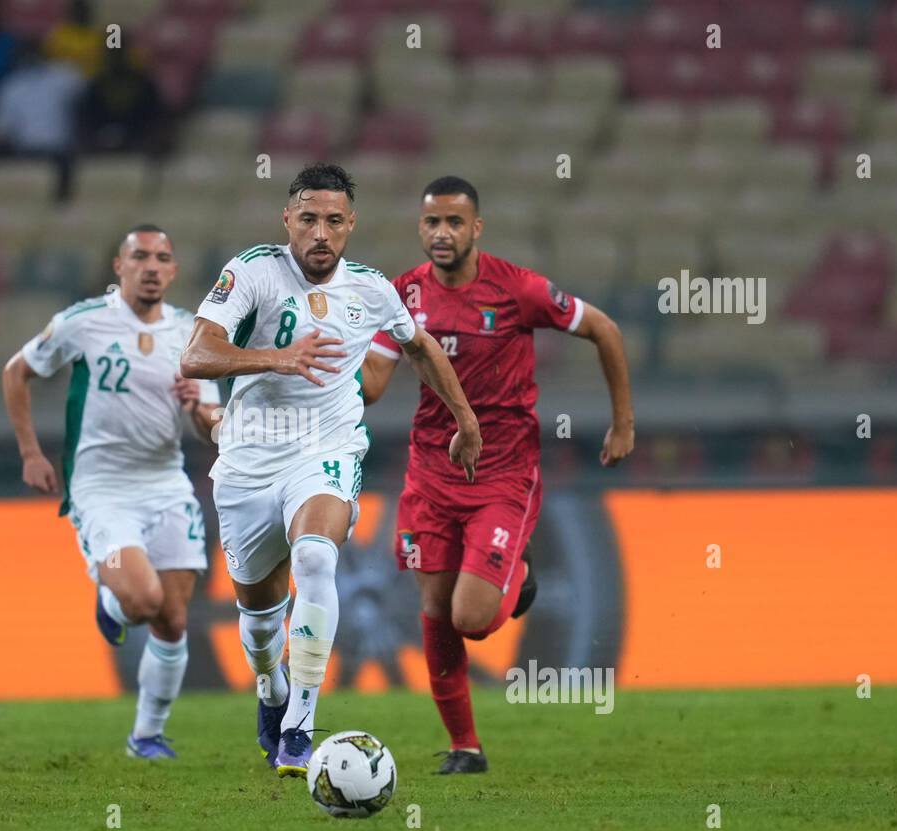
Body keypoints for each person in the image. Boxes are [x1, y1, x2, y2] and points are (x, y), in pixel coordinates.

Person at [180, 163, 481, 776]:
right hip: (246, 461)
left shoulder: (371, 288)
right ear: (287, 219)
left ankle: (301, 728)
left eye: (334, 221)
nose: (321, 233)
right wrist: (277, 358)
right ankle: (272, 690)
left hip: (325, 450)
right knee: (260, 623)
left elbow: (420, 347)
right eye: (309, 219)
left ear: (351, 225)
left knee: (317, 558)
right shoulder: (253, 271)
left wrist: (465, 420)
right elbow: (196, 355)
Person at [360, 176, 636, 775]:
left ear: (476, 228)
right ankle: (466, 747)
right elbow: (372, 381)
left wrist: (623, 424)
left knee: (472, 619)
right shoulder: (401, 295)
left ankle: (522, 567)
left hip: (503, 472)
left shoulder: (517, 290)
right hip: (430, 475)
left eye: (454, 222)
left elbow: (605, 330)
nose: (442, 233)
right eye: (432, 222)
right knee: (434, 610)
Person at [2, 226, 219, 759]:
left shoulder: (194, 334)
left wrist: (198, 408)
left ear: (173, 271)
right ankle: (112, 600)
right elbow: (16, 372)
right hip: (102, 489)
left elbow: (212, 428)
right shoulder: (84, 322)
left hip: (167, 483)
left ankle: (147, 735)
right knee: (143, 600)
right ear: (118, 267)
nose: (151, 266)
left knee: (172, 617)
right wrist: (31, 453)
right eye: (139, 256)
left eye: (162, 257)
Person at [0, 43, 86, 199]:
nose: (30, 57)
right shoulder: (10, 87)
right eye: (26, 52)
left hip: (61, 154)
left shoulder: (65, 76)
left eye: (34, 51)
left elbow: (88, 101)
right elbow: (0, 131)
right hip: (26, 155)